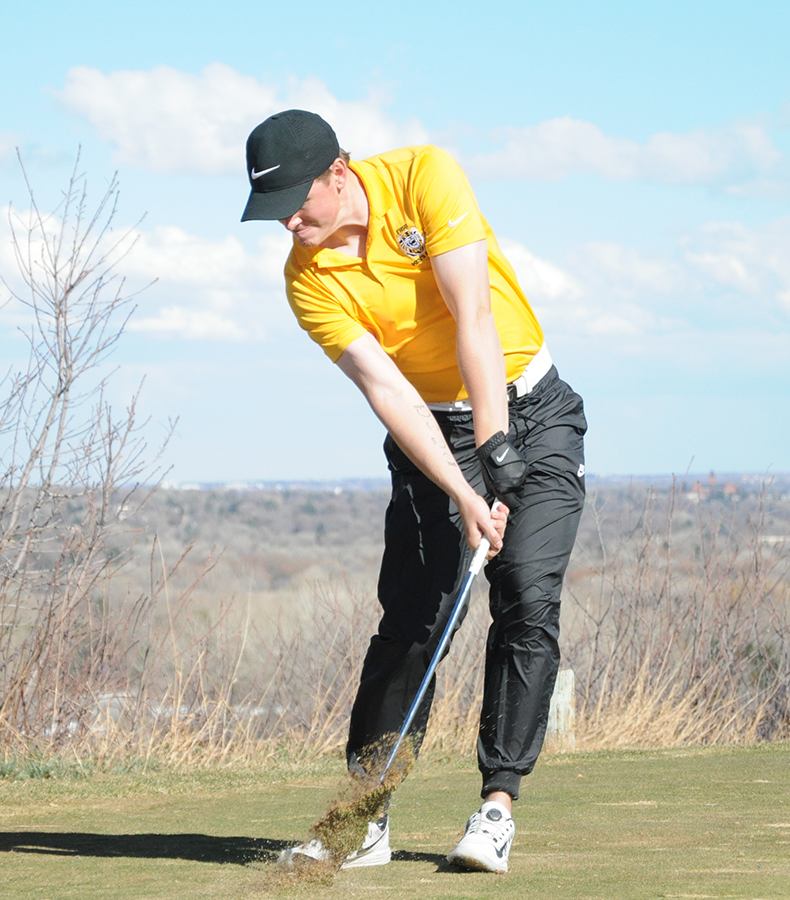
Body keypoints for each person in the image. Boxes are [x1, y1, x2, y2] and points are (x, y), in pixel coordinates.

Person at [241, 109, 586, 874]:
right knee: (414, 620)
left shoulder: (424, 175)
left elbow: (474, 316)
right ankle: (363, 821)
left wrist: (496, 446)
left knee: (526, 596)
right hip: (432, 430)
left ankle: (496, 810)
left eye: (297, 201)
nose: (288, 222)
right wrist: (463, 488)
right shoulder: (306, 279)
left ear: (339, 172)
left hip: (532, 409)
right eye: (274, 210)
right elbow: (387, 390)